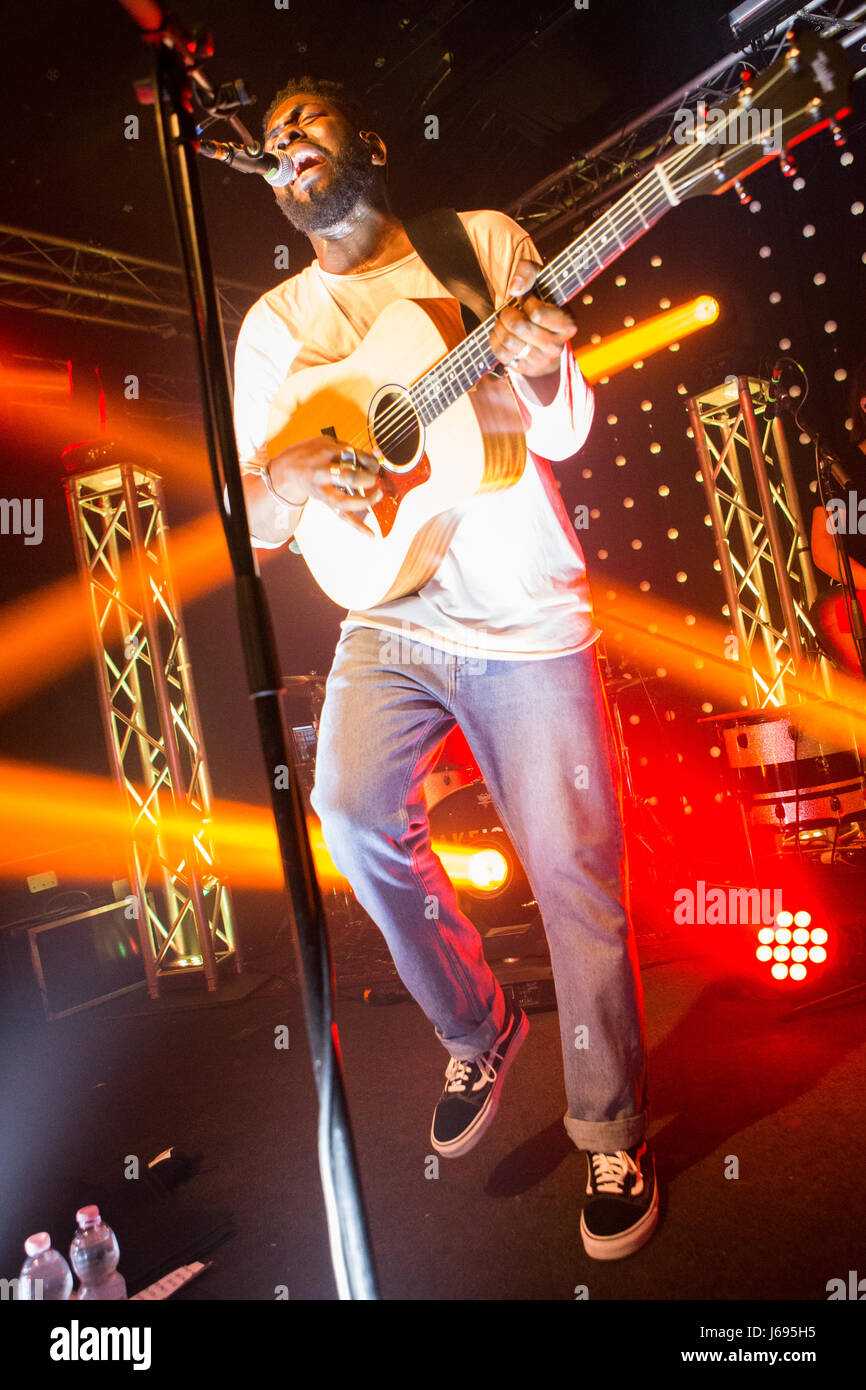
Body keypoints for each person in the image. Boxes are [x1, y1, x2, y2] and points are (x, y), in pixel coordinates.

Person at [232, 78, 657, 1262]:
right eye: (268, 140)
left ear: (369, 141)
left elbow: (559, 429)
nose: (282, 143)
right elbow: (258, 516)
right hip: (388, 606)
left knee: (573, 880)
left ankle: (609, 1127)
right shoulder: (274, 326)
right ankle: (478, 1021)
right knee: (348, 813)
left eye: (304, 119)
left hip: (521, 614)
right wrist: (295, 477)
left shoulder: (476, 246)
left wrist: (527, 360)